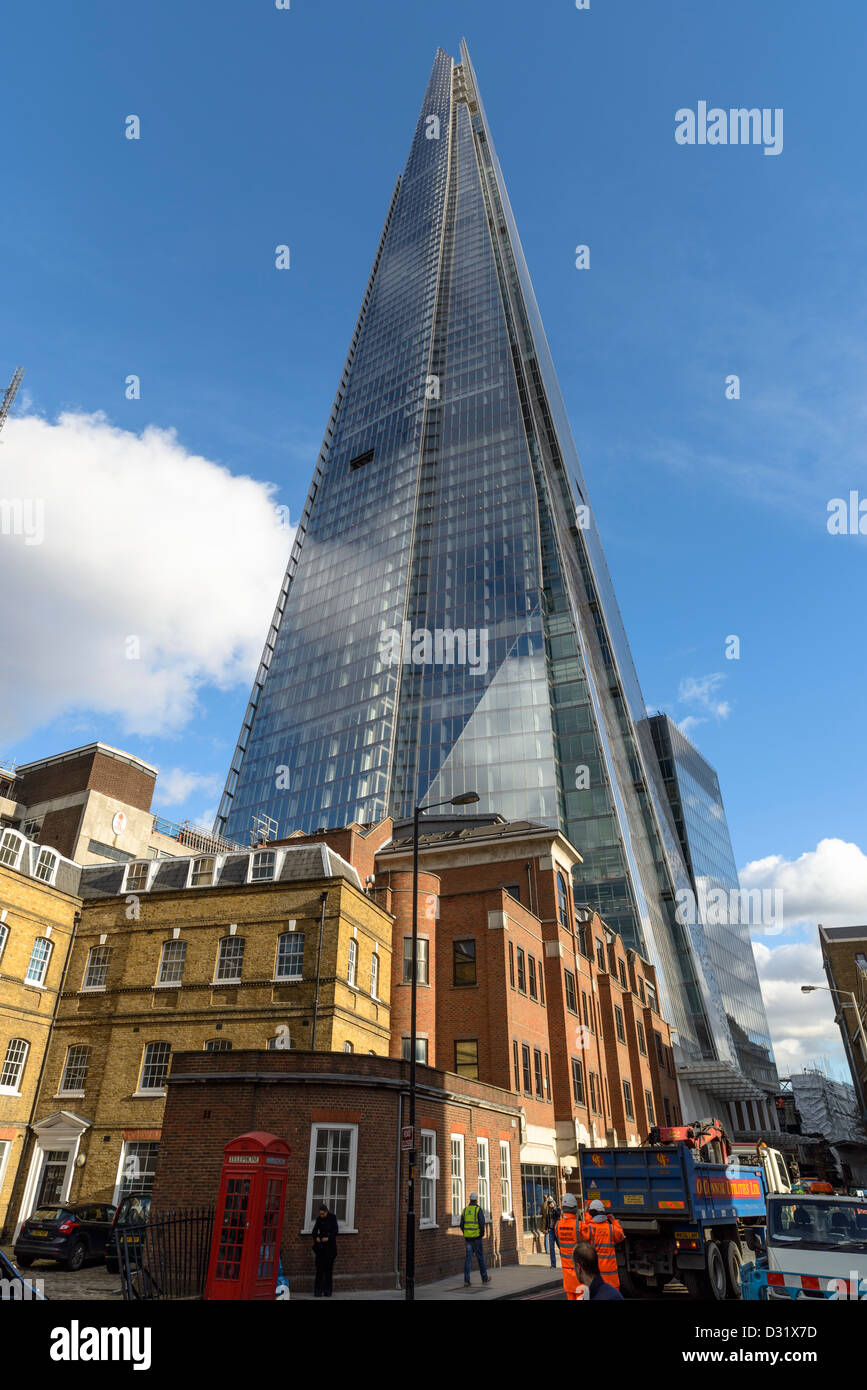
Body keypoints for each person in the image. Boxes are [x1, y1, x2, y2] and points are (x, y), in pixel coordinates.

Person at [578, 1198, 625, 1289]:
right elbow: (621, 1236)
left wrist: (586, 1213)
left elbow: (584, 1229)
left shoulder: (591, 1228)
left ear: (592, 1213)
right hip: (611, 1276)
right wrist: (614, 1221)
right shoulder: (611, 1228)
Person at [554, 1193, 586, 1300]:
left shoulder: (557, 1225)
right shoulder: (579, 1226)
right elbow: (591, 1233)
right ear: (575, 1209)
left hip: (567, 1275)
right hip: (579, 1273)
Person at [460, 1192, 490, 1286]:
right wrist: (481, 1234)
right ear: (476, 1200)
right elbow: (482, 1223)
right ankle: (484, 1278)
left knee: (468, 1259)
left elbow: (461, 1225)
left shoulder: (465, 1210)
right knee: (480, 1257)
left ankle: (466, 1280)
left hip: (468, 1239)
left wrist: (466, 1233)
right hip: (477, 1239)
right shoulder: (478, 1210)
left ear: (470, 1200)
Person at [311, 1202, 338, 1297]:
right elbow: (314, 1231)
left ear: (326, 1212)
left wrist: (328, 1238)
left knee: (328, 1271)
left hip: (330, 1248)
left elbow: (336, 1231)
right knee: (319, 1270)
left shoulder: (332, 1218)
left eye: (323, 1214)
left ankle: (328, 1291)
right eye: (320, 1214)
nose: (321, 1216)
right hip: (321, 1248)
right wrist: (317, 1237)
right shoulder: (319, 1219)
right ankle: (318, 1291)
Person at [539, 1193, 560, 1268]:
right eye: (549, 1203)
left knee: (560, 1246)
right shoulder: (547, 1210)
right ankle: (553, 1264)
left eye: (551, 1203)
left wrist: (554, 1208)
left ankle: (565, 1261)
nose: (550, 1204)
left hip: (557, 1230)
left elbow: (559, 1215)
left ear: (553, 1203)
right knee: (551, 1248)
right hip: (551, 1230)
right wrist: (545, 1228)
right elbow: (545, 1219)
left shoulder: (557, 1209)